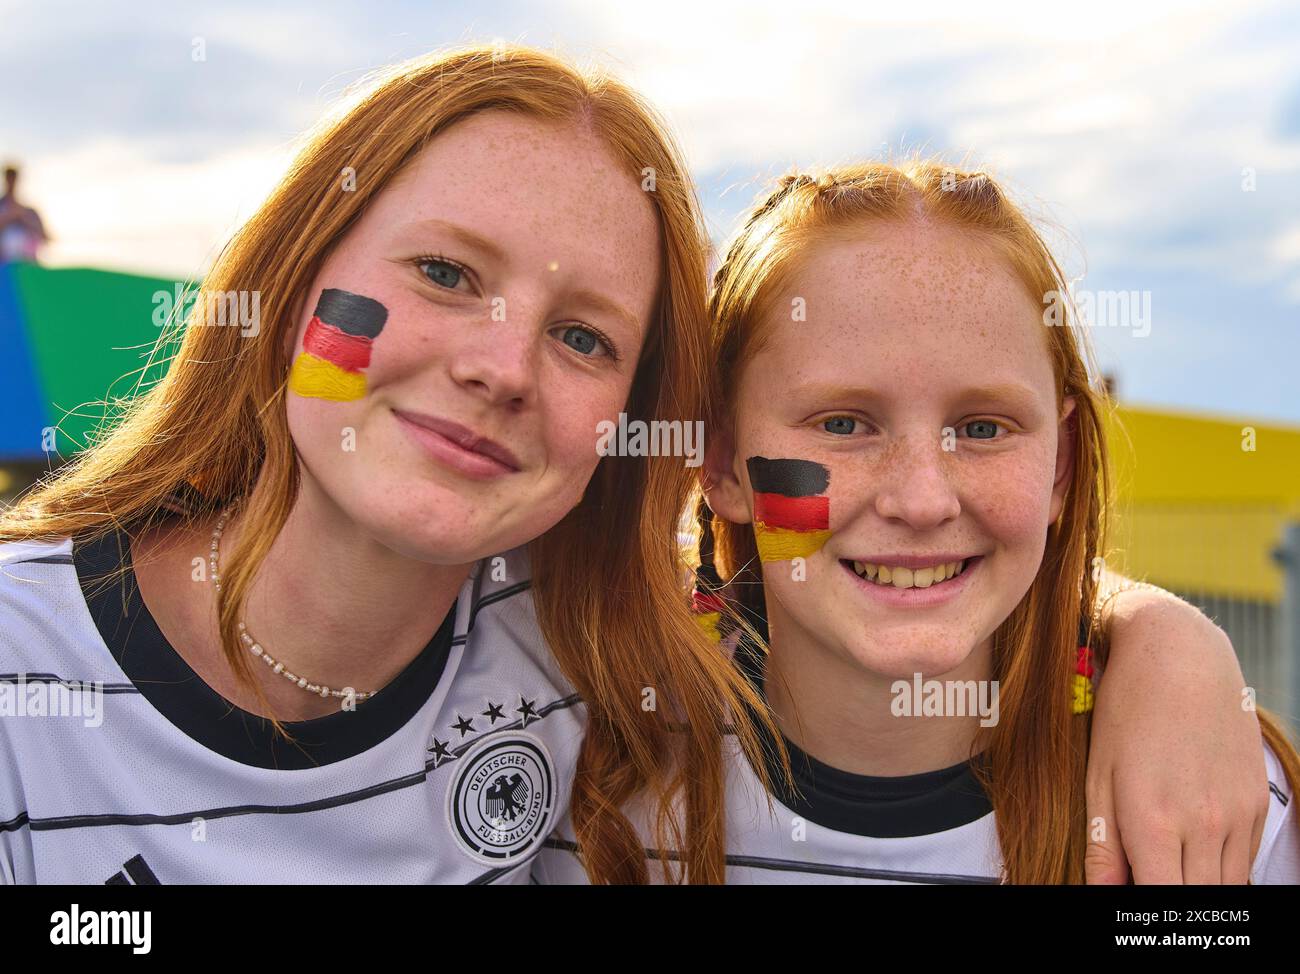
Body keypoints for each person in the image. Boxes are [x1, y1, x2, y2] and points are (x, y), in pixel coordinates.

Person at [0, 48, 1273, 884]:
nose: (502, 367)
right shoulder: (604, 706)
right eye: (443, 272)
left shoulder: (577, 658)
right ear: (289, 276)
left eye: (582, 336)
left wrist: (1163, 646)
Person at [534, 162, 1296, 884]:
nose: (923, 499)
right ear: (724, 462)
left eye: (984, 428)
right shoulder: (576, 760)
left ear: (1059, 468)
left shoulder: (1210, 806)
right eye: (841, 423)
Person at [0, 164, 48, 263]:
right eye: (9, 178)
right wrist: (9, 217)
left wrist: (24, 219)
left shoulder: (29, 211)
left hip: (27, 266)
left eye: (13, 178)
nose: (11, 182)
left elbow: (46, 237)